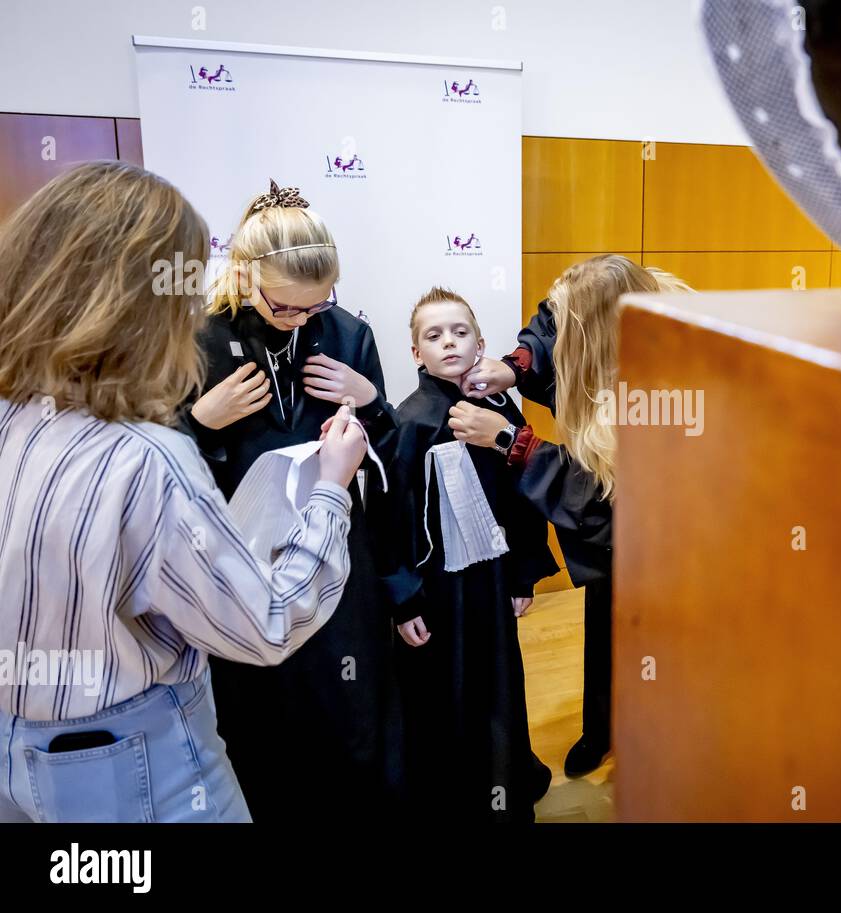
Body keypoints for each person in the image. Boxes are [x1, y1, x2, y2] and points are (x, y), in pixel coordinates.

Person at [0, 161, 368, 823]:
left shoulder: (14, 418)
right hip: (136, 760)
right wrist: (332, 491)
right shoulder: (148, 457)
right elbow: (267, 623)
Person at [178, 179, 404, 821]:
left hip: (337, 546)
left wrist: (373, 404)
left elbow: (383, 458)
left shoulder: (348, 335)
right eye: (285, 309)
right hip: (239, 558)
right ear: (245, 276)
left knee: (353, 709)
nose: (303, 321)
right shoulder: (194, 339)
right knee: (259, 712)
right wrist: (200, 420)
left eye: (316, 306)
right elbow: (155, 470)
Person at [454, 255, 681, 777]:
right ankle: (601, 731)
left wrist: (513, 441)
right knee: (605, 627)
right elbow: (549, 326)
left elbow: (606, 505)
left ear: (597, 334)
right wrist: (514, 366)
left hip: (666, 535)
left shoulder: (662, 387)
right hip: (624, 536)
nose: (556, 339)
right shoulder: (618, 302)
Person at [373, 287, 559, 821]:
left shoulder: (501, 408)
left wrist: (524, 572)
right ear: (416, 353)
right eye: (434, 335)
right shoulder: (408, 422)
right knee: (440, 690)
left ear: (480, 344)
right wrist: (404, 600)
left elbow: (525, 497)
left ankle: (506, 776)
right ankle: (454, 798)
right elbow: (392, 520)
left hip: (493, 578)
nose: (448, 342)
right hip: (436, 591)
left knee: (498, 677)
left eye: (460, 332)